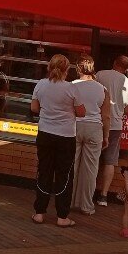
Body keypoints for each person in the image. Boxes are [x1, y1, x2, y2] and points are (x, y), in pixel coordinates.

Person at [30, 54, 85, 228]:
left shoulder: (41, 84)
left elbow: (34, 108)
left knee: (44, 171)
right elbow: (82, 112)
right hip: (66, 136)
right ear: (67, 70)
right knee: (65, 175)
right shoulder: (71, 88)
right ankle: (62, 216)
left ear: (49, 67)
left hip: (45, 133)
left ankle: (39, 212)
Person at [94, 54, 128, 207]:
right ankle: (103, 196)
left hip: (97, 122)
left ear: (114, 62)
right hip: (115, 126)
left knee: (93, 158)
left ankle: (88, 190)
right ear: (126, 69)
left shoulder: (100, 75)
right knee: (110, 161)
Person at [71, 55, 110, 215]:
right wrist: (106, 136)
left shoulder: (71, 86)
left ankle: (69, 201)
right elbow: (106, 116)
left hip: (74, 127)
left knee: (71, 166)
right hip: (95, 128)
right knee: (91, 169)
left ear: (78, 69)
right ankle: (86, 206)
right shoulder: (102, 89)